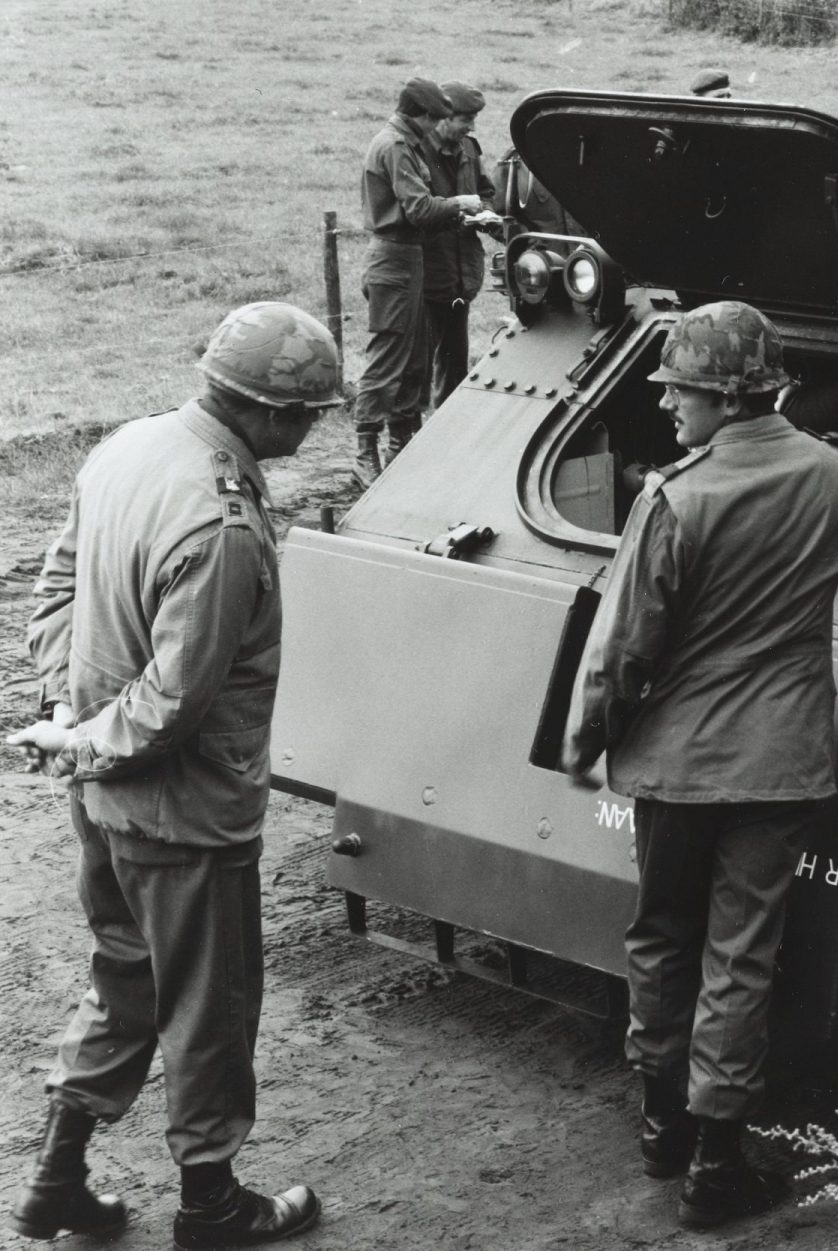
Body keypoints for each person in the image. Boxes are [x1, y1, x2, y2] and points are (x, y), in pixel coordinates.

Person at [561, 301, 838, 1230]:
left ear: (723, 396)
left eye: (678, 392)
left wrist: (583, 744)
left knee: (661, 936)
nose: (667, 407)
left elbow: (622, 647)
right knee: (740, 956)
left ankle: (661, 1125)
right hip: (779, 763)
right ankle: (718, 1163)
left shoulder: (675, 496)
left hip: (675, 766)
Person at [4, 303, 342, 1248]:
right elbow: (176, 699)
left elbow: (57, 587)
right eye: (308, 414)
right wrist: (90, 736)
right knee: (209, 1005)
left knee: (125, 978)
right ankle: (211, 1206)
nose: (311, 429)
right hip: (185, 813)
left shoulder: (128, 449)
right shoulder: (224, 519)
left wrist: (68, 719)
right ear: (269, 413)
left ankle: (55, 1180)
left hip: (105, 799)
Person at [354, 77, 484, 488]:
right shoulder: (395, 146)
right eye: (436, 119)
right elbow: (419, 209)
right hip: (394, 257)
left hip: (410, 259)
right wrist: (460, 203)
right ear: (423, 115)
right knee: (387, 357)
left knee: (412, 359)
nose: (436, 129)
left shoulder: (406, 144)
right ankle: (364, 453)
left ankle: (400, 446)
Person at [424, 81, 497, 412]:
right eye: (465, 119)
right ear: (444, 116)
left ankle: (447, 422)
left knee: (455, 360)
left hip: (460, 271)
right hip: (427, 267)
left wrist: (485, 214)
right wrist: (455, 207)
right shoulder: (417, 151)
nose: (471, 127)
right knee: (418, 362)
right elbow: (416, 208)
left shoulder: (469, 148)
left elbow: (486, 191)